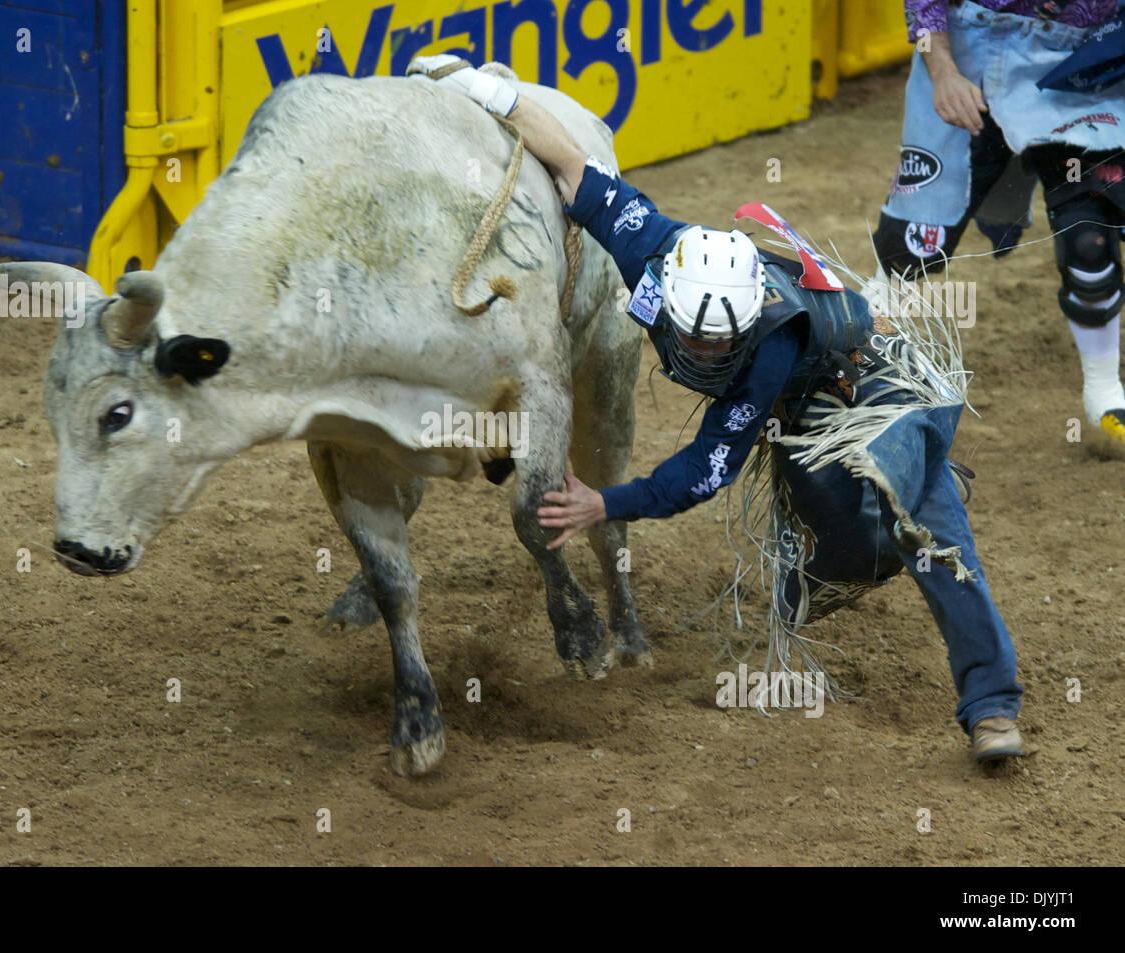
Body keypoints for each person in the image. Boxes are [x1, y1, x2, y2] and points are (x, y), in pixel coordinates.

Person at [407, 54, 1026, 762]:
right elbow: (572, 161)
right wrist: (476, 84)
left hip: (876, 395)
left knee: (925, 539)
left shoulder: (766, 350)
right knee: (844, 540)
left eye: (715, 344)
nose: (701, 356)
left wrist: (604, 505)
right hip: (803, 420)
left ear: (747, 317)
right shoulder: (652, 245)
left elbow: (705, 470)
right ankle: (907, 498)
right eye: (691, 342)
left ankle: (991, 705)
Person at [875, 0, 1125, 446]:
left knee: (1090, 241)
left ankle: (1106, 390)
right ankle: (852, 368)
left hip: (1083, 68)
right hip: (972, 56)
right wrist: (943, 71)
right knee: (911, 245)